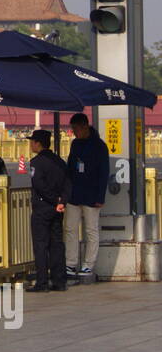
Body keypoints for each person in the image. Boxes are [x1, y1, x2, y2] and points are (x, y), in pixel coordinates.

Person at [64, 113, 109, 282]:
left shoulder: (99, 146)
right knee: (70, 229)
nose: (73, 132)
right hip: (74, 194)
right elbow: (70, 167)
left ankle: (88, 263)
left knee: (91, 230)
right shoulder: (75, 144)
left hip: (91, 195)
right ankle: (71, 262)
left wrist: (100, 196)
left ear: (84, 126)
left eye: (75, 129)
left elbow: (104, 173)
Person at [27, 128, 68, 292]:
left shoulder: (36, 162)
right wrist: (61, 201)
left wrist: (52, 200)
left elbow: (39, 184)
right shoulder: (60, 161)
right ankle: (59, 281)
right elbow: (67, 183)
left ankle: (42, 281)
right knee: (57, 244)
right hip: (57, 209)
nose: (31, 145)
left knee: (41, 245)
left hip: (43, 207)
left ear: (38, 143)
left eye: (32, 142)